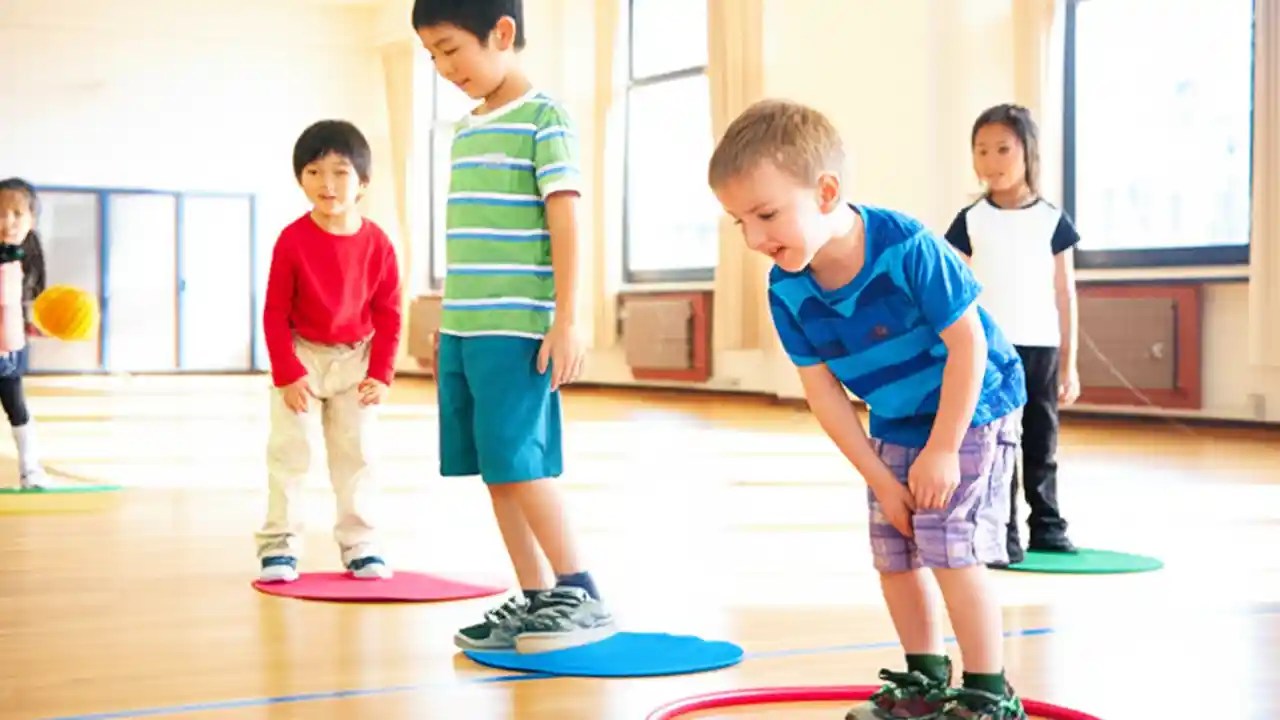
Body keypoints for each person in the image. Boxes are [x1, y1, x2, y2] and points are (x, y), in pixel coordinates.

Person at [707, 99, 1029, 720]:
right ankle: (926, 682)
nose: (753, 238)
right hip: (895, 418)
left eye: (767, 214)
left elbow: (969, 344)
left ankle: (990, 695)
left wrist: (941, 450)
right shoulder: (788, 288)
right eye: (737, 221)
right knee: (895, 552)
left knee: (948, 547)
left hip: (973, 405)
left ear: (826, 191)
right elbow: (823, 392)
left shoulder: (906, 247)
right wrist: (881, 480)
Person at [412, 0, 615, 654]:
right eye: (432, 56)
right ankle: (535, 600)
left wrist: (569, 318)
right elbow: (471, 237)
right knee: (494, 468)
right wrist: (450, 318)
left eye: (449, 49)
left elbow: (566, 220)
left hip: (517, 328)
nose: (443, 67)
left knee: (520, 461)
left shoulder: (543, 118)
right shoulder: (468, 129)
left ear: (501, 33)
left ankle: (579, 590)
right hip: (468, 327)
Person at [255, 120, 403, 583]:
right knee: (290, 454)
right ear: (301, 178)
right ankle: (279, 546)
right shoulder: (293, 239)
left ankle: (361, 544)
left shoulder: (377, 243)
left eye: (340, 172)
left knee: (356, 456)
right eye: (314, 172)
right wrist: (287, 373)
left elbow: (390, 312)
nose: (327, 184)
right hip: (302, 357)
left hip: (356, 359)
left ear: (363, 183)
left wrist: (380, 373)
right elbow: (275, 311)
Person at [943, 103, 1079, 565]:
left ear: (1027, 153)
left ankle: (1047, 524)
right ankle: (1001, 533)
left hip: (1041, 345)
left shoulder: (1051, 220)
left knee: (1042, 438)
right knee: (998, 441)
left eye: (1003, 149)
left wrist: (1071, 361)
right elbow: (952, 294)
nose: (991, 161)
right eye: (981, 150)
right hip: (989, 349)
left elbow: (1065, 294)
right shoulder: (970, 220)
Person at [0, 178, 50, 489]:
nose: (8, 221)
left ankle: (31, 472)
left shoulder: (29, 256)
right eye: (1, 213)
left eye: (18, 213)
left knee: (18, 410)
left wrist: (38, 324)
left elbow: (30, 300)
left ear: (31, 220)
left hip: (11, 348)